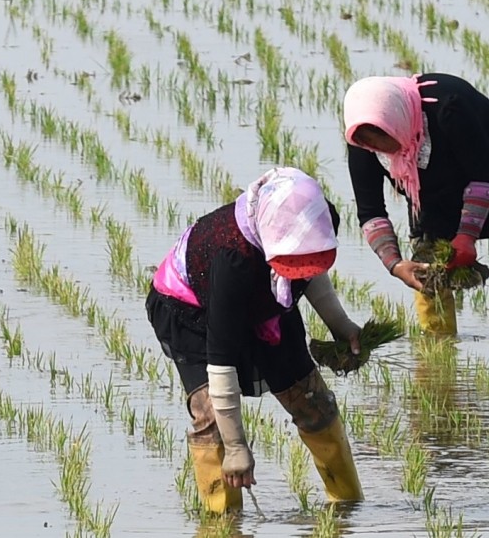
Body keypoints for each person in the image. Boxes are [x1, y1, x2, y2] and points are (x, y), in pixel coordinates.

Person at [146, 167, 364, 514]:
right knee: (211, 416)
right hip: (193, 308)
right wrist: (236, 447)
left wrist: (340, 324)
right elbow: (221, 361)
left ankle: (348, 508)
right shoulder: (232, 261)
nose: (302, 265)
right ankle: (222, 523)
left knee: (312, 401)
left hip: (267, 296)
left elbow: (309, 270)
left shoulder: (315, 217)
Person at [343, 73, 489, 336]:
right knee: (428, 272)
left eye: (386, 140)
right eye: (371, 144)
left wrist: (467, 235)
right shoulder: (362, 142)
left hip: (482, 173)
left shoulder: (449, 109)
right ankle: (439, 351)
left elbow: (482, 177)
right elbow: (371, 213)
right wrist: (395, 265)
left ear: (398, 122)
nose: (384, 150)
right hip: (433, 200)